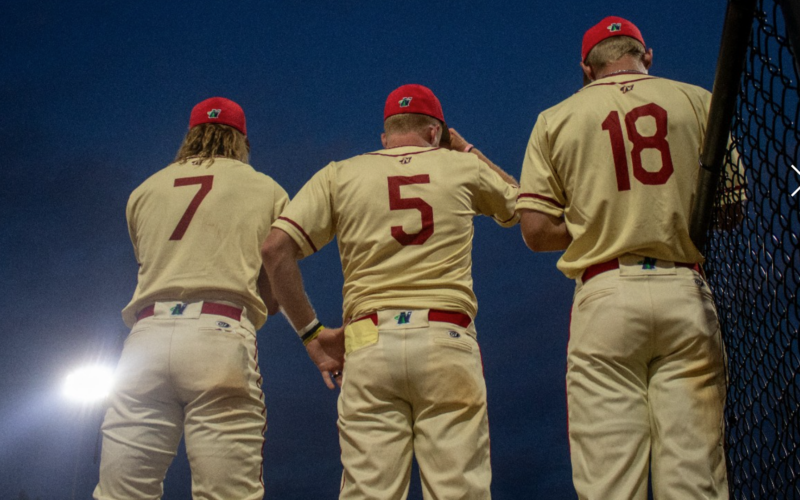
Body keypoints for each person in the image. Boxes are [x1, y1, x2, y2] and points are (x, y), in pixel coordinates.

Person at [261, 84, 519, 500]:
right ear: (436, 133)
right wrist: (466, 149)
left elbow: (275, 249)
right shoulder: (461, 167)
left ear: (385, 137)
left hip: (366, 337)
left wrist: (312, 335)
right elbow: (526, 208)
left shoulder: (341, 173)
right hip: (445, 333)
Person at [517, 17, 739, 500]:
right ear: (647, 56)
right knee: (697, 479)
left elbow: (534, 230)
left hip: (606, 292)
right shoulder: (698, 99)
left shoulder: (556, 117)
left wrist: (597, 223)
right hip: (685, 291)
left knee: (611, 485)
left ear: (587, 69)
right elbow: (733, 207)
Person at [94, 97, 291, 500]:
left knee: (121, 493)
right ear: (241, 140)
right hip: (218, 331)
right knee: (227, 494)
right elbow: (272, 292)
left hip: (145, 336)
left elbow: (150, 261)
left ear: (190, 135)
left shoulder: (144, 189)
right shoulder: (265, 187)